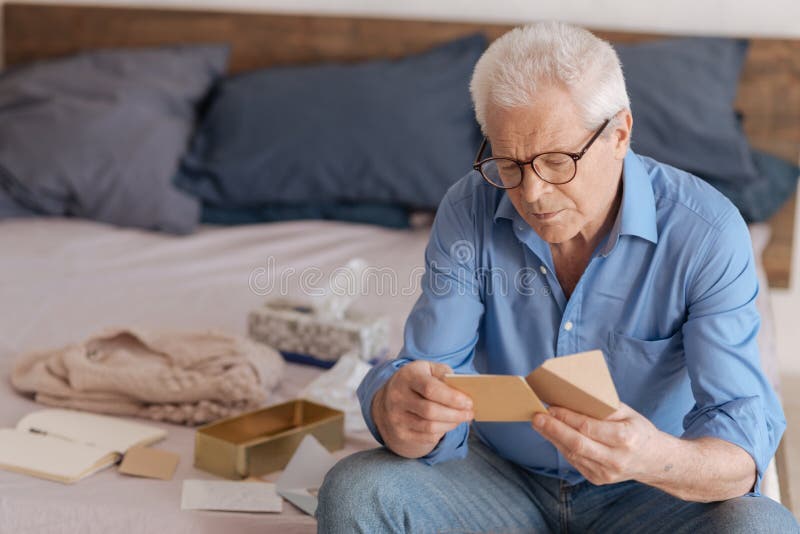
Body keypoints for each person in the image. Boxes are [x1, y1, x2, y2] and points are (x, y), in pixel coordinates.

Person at [316, 21, 799, 533]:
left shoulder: (707, 232)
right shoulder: (470, 207)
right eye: (509, 164)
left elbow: (741, 440)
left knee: (761, 527)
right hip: (498, 479)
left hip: (650, 488)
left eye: (556, 161)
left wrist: (652, 457)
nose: (532, 194)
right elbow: (429, 373)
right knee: (356, 490)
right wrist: (399, 412)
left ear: (620, 134)